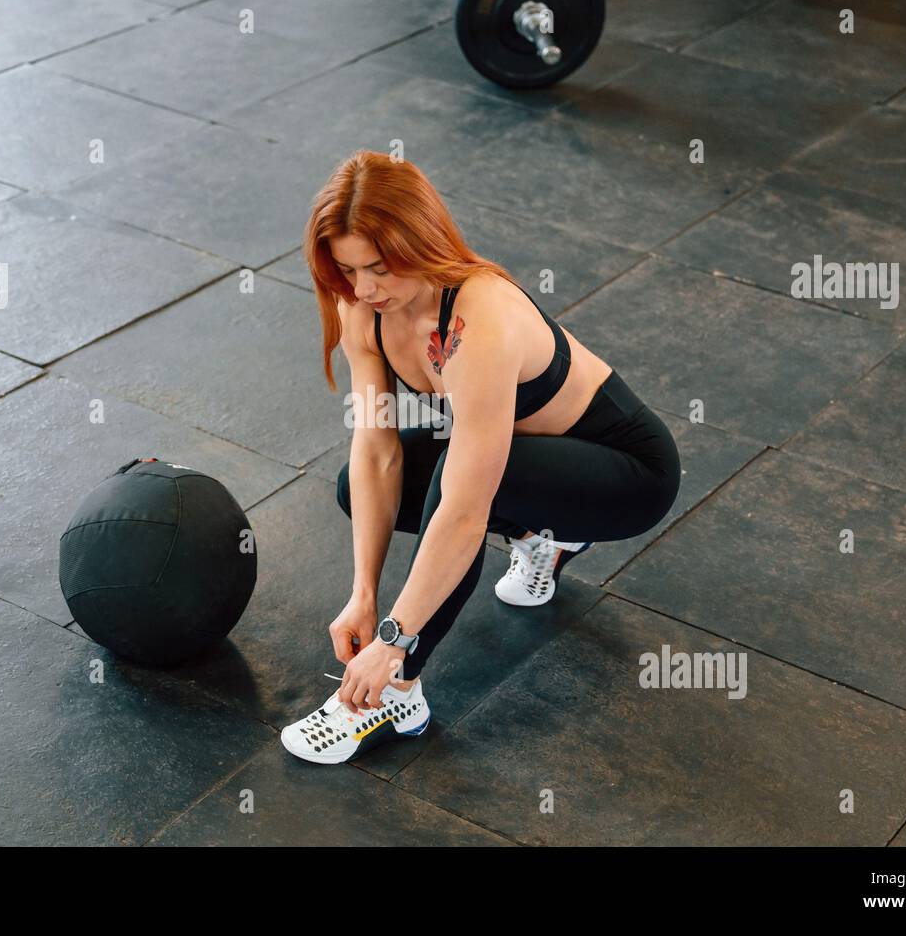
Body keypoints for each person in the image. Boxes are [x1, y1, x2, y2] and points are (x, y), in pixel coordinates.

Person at [282, 151, 681, 764]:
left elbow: (464, 511)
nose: (363, 288)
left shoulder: (481, 315)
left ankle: (399, 692)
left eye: (380, 268)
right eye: (347, 269)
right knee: (353, 486)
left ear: (420, 241)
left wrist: (393, 639)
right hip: (531, 461)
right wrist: (363, 593)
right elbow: (377, 449)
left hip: (628, 473)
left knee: (459, 488)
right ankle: (542, 537)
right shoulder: (360, 304)